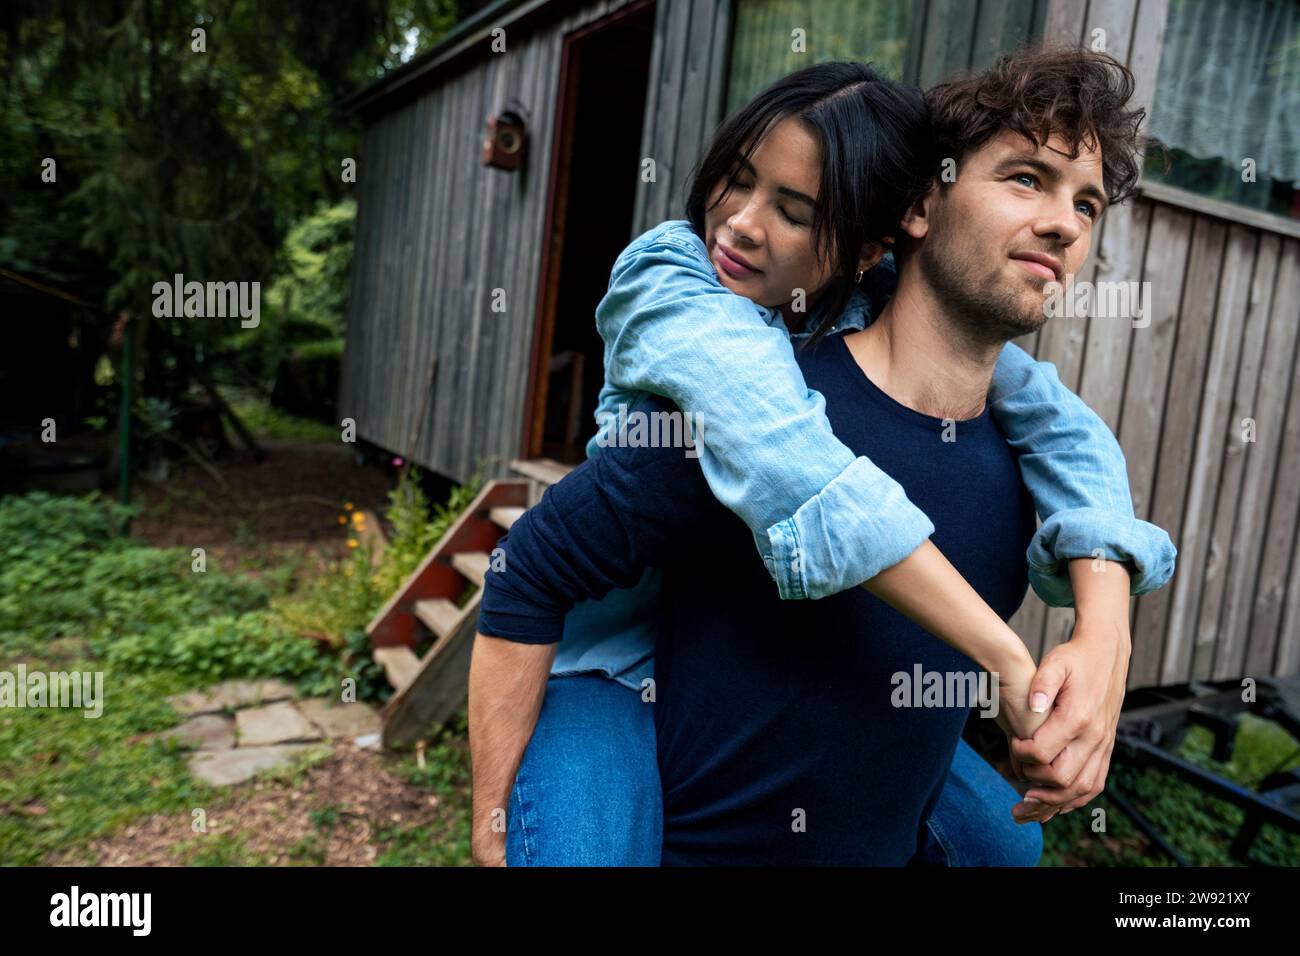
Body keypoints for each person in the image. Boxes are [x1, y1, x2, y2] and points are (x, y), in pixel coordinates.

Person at [470, 49, 1172, 865]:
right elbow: (787, 471)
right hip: (608, 668)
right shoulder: (725, 379)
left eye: (1087, 203)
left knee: (1005, 849)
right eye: (1025, 178)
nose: (1066, 223)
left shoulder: (1009, 429)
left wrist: (1105, 636)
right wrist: (1008, 659)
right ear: (917, 207)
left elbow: (1068, 428)